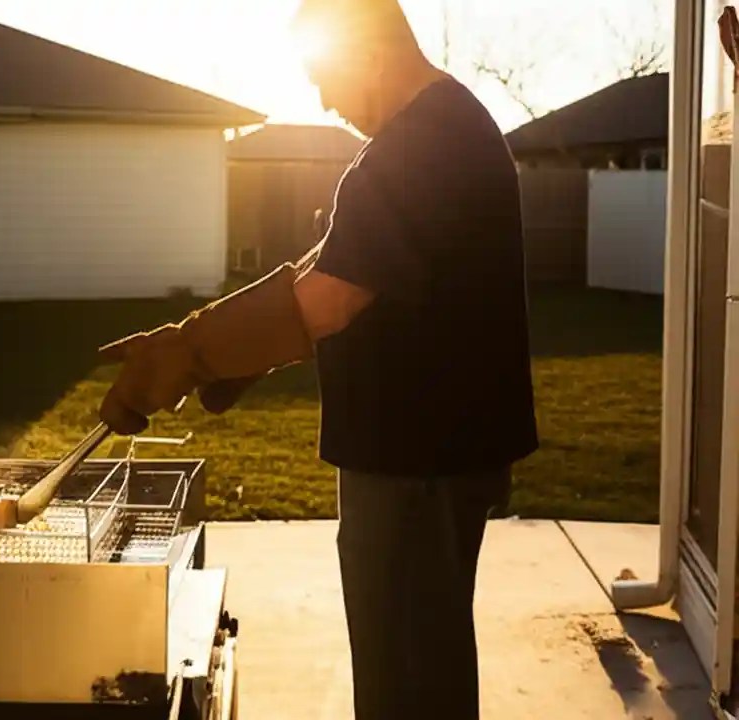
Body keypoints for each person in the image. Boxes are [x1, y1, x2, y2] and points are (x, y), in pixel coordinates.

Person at [95, 1, 539, 717]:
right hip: (430, 458)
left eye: (324, 75)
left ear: (367, 50)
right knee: (423, 661)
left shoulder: (424, 143)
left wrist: (190, 353)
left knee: (408, 682)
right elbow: (331, 268)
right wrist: (216, 351)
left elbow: (331, 297)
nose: (324, 99)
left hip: (416, 466)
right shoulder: (436, 132)